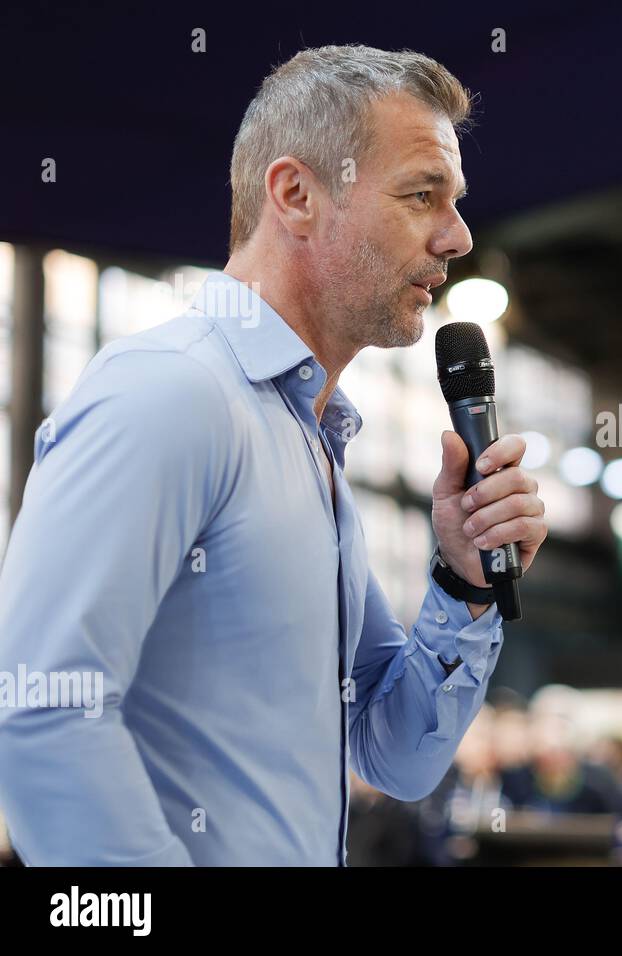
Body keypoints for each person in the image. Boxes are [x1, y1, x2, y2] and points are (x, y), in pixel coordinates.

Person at [0, 45, 548, 865]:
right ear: (295, 195)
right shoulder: (172, 394)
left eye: (456, 201)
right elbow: (42, 707)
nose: (459, 236)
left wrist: (462, 582)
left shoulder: (308, 444)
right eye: (420, 195)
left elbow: (393, 755)